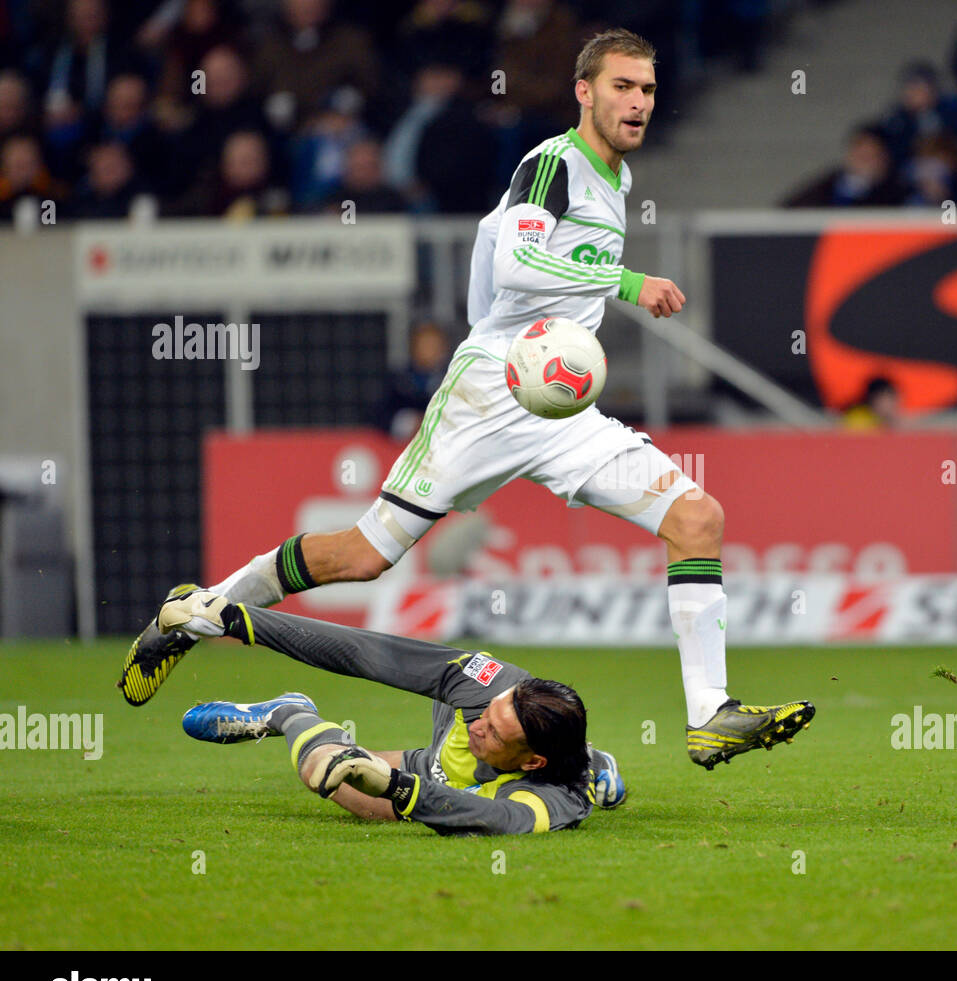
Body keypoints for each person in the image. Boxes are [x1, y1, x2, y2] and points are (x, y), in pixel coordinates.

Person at [120, 27, 815, 771]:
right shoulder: (553, 164)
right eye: (622, 86)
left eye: (647, 89)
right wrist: (624, 283)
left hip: (560, 407)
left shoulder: (616, 183)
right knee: (361, 556)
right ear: (585, 91)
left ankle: (709, 712)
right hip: (491, 391)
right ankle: (191, 614)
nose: (637, 102)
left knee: (696, 515)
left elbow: (502, 255)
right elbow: (516, 262)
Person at [159, 587, 626, 835]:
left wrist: (397, 786)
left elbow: (500, 822)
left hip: (451, 778)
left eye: (494, 731)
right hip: (444, 766)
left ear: (532, 763)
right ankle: (292, 712)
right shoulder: (486, 687)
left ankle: (287, 714)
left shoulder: (554, 799)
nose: (479, 723)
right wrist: (238, 620)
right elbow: (369, 653)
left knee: (356, 789)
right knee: (338, 779)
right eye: (489, 713)